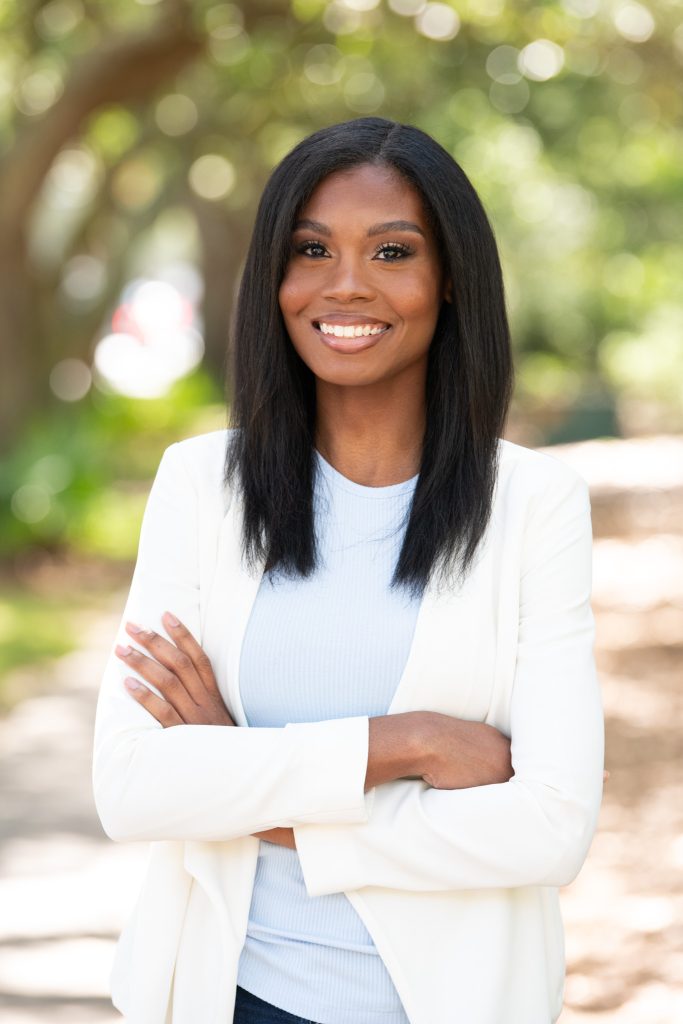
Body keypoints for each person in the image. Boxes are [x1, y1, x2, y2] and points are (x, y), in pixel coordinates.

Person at [92, 116, 604, 1024]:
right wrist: (401, 743)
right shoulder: (200, 486)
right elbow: (133, 787)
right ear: (275, 278)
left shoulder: (534, 504)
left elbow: (549, 829)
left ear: (449, 282)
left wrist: (248, 784)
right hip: (229, 994)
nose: (345, 285)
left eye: (392, 251)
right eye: (312, 249)